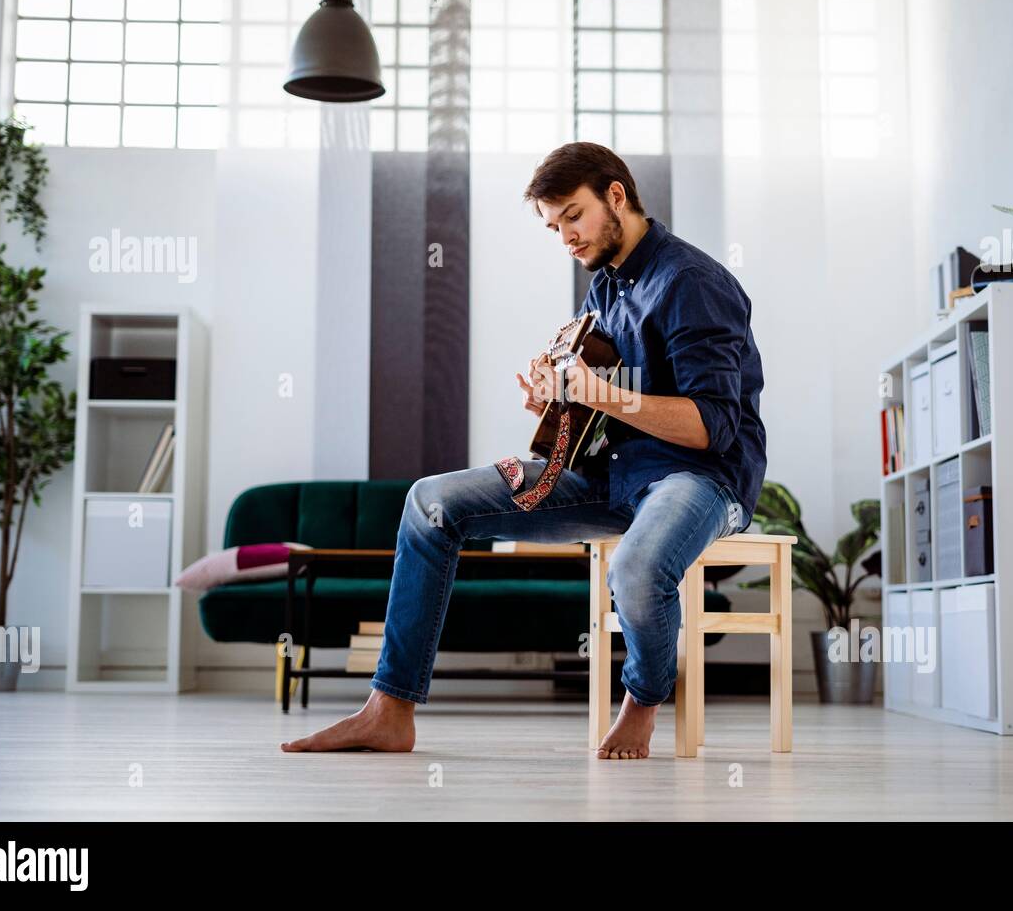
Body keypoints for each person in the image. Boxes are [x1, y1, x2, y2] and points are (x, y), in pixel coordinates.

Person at [281, 142, 767, 759]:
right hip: (609, 475)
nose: (564, 236)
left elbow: (713, 427)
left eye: (572, 215)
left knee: (637, 568)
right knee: (431, 503)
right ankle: (389, 709)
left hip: (700, 480)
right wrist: (558, 405)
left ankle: (642, 701)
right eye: (553, 224)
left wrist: (603, 397)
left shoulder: (692, 282)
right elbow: (604, 402)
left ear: (616, 195)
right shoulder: (606, 289)